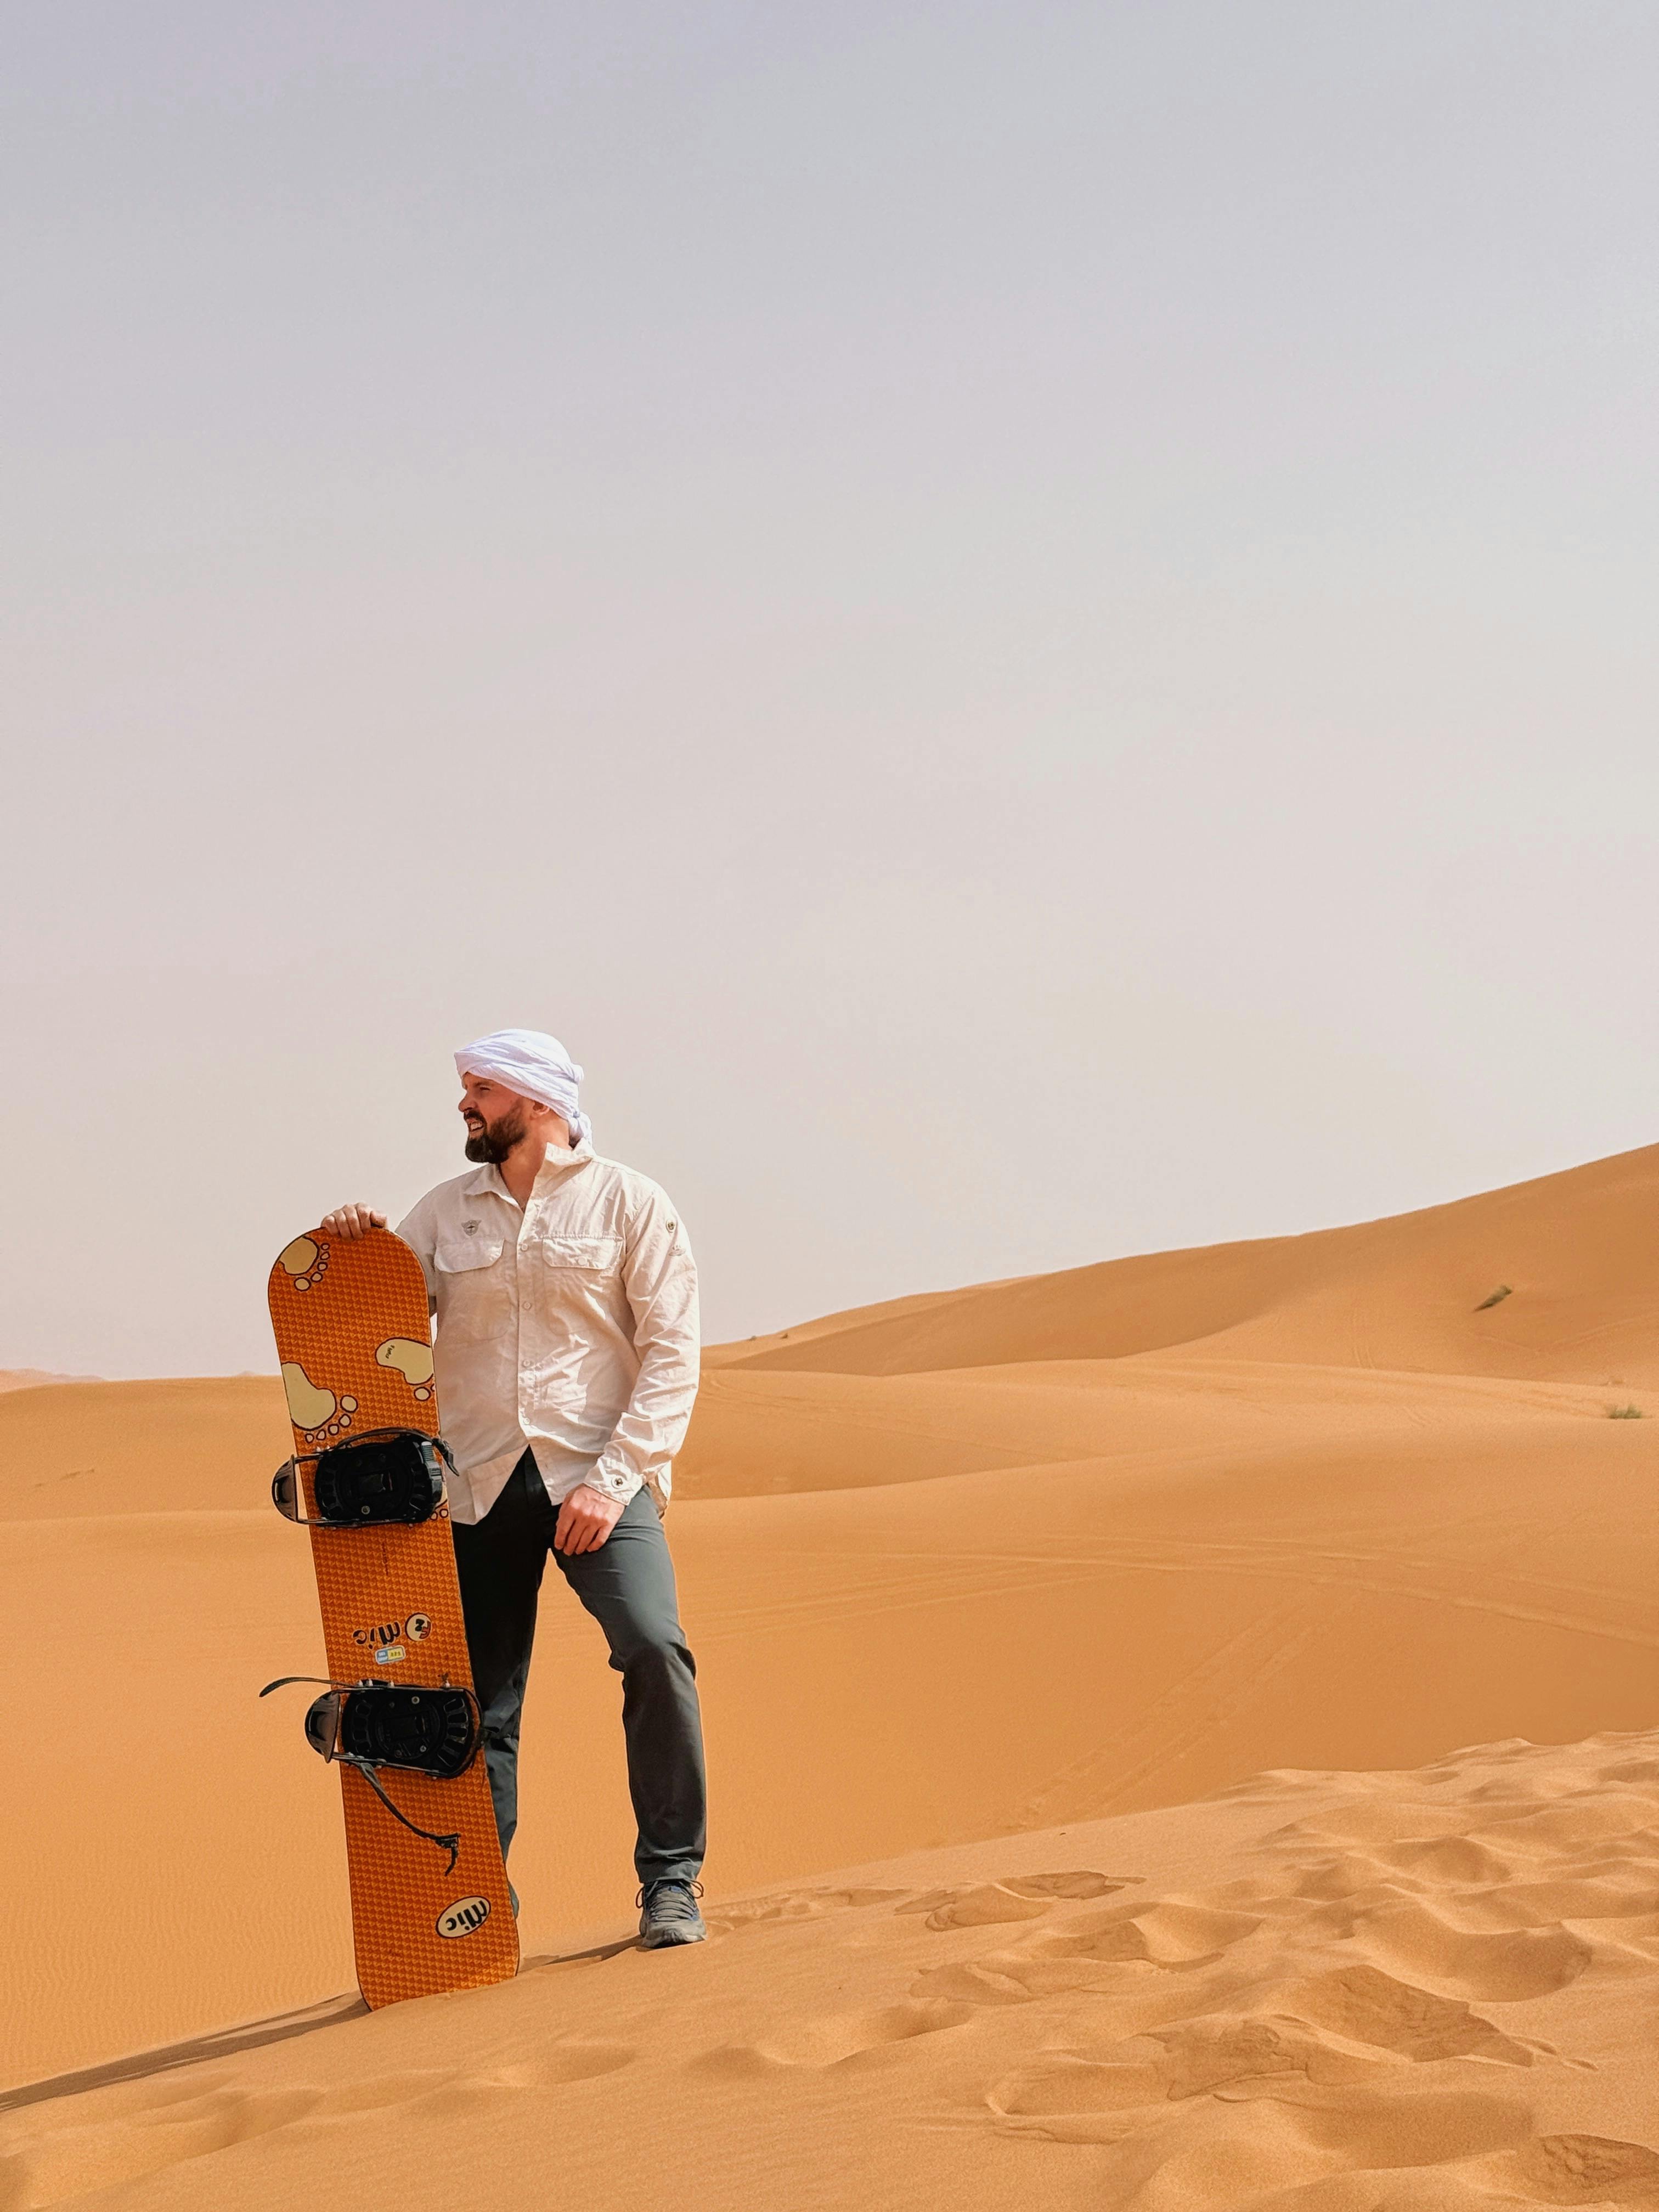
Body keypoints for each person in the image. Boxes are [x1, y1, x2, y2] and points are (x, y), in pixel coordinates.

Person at [321, 1027, 707, 1950]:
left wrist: (613, 1485)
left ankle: (671, 1884)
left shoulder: (630, 1204)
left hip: (597, 1480)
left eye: (481, 1089)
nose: (465, 1105)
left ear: (536, 1100)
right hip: (476, 1483)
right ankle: (479, 1909)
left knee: (657, 1650)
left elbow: (672, 1353)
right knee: (477, 1707)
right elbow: (372, 1322)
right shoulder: (444, 1212)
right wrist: (354, 1249)